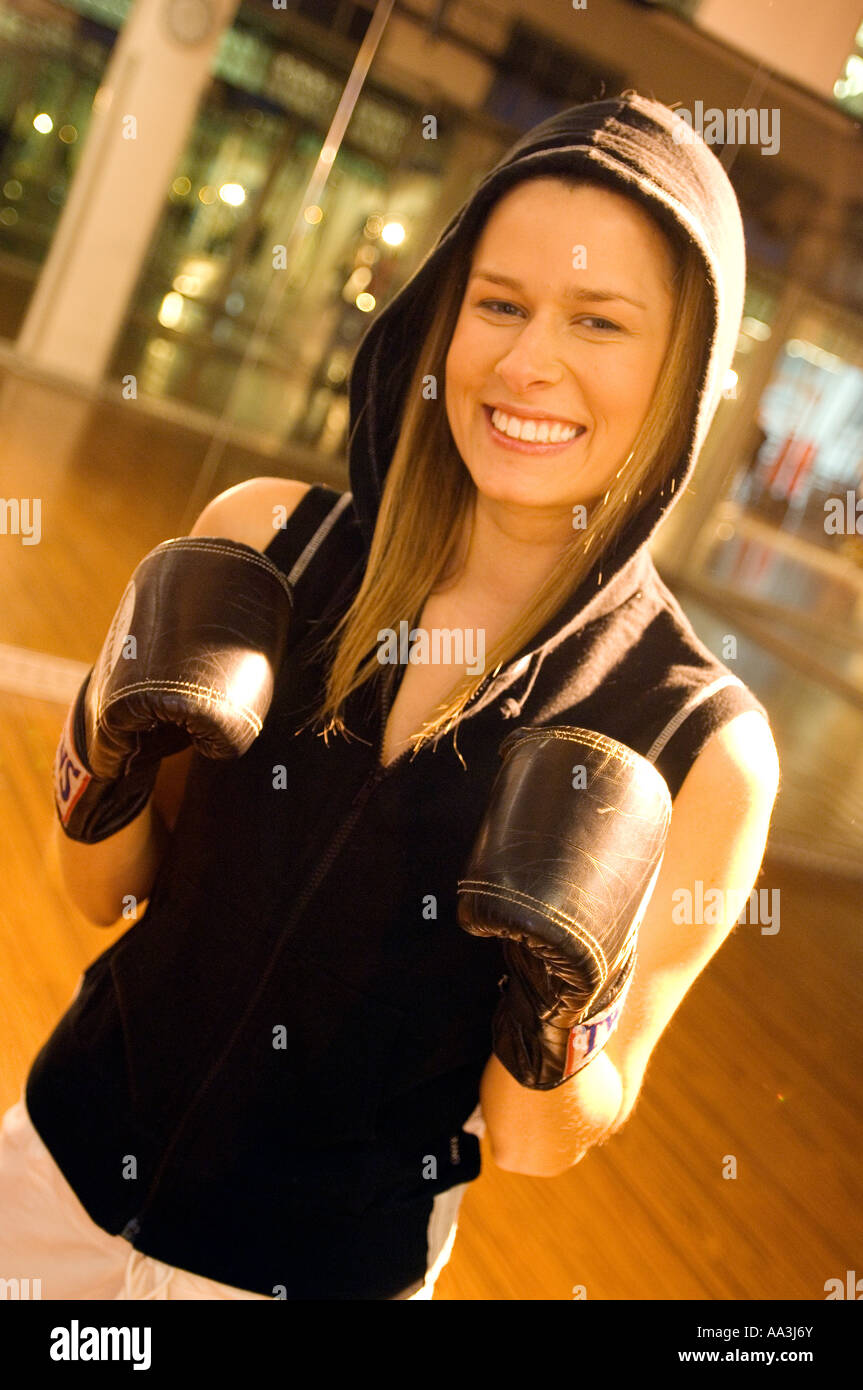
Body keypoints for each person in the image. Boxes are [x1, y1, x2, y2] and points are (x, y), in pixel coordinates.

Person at [0, 92, 779, 1301]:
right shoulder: (267, 544)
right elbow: (97, 894)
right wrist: (106, 755)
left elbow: (531, 1138)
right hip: (49, 1182)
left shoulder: (698, 743)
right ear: (443, 315)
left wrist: (561, 1006)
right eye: (499, 304)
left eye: (599, 322)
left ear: (688, 373)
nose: (528, 361)